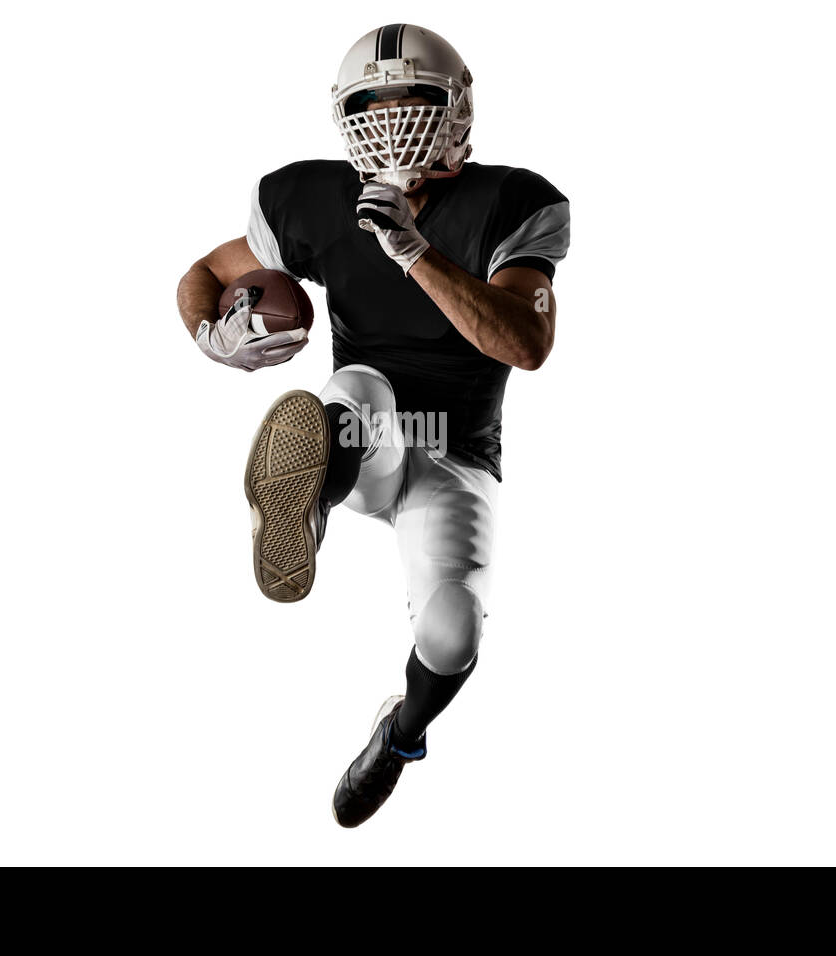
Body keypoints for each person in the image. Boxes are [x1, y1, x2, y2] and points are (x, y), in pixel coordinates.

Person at [176, 23, 570, 828]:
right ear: (343, 115)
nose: (392, 120)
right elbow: (208, 273)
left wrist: (416, 254)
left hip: (458, 452)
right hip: (369, 439)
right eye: (373, 103)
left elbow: (526, 345)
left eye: (413, 100)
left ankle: (398, 736)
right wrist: (213, 335)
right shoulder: (314, 197)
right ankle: (307, 504)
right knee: (359, 391)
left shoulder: (514, 201)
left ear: (456, 109)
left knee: (455, 631)